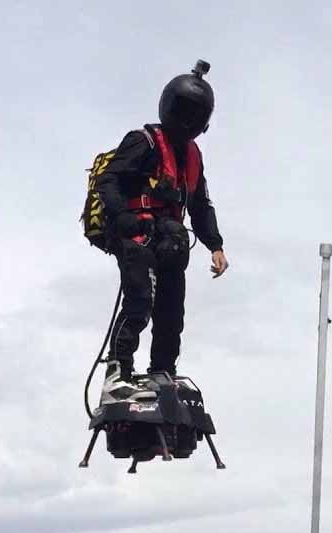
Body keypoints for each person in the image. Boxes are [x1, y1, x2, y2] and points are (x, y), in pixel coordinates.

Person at [94, 60, 230, 404]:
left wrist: (215, 244)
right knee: (140, 300)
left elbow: (199, 203)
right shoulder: (144, 142)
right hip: (137, 235)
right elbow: (108, 180)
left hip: (171, 242)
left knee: (171, 312)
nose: (188, 121)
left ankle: (161, 372)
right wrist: (124, 218)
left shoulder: (193, 157)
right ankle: (117, 372)